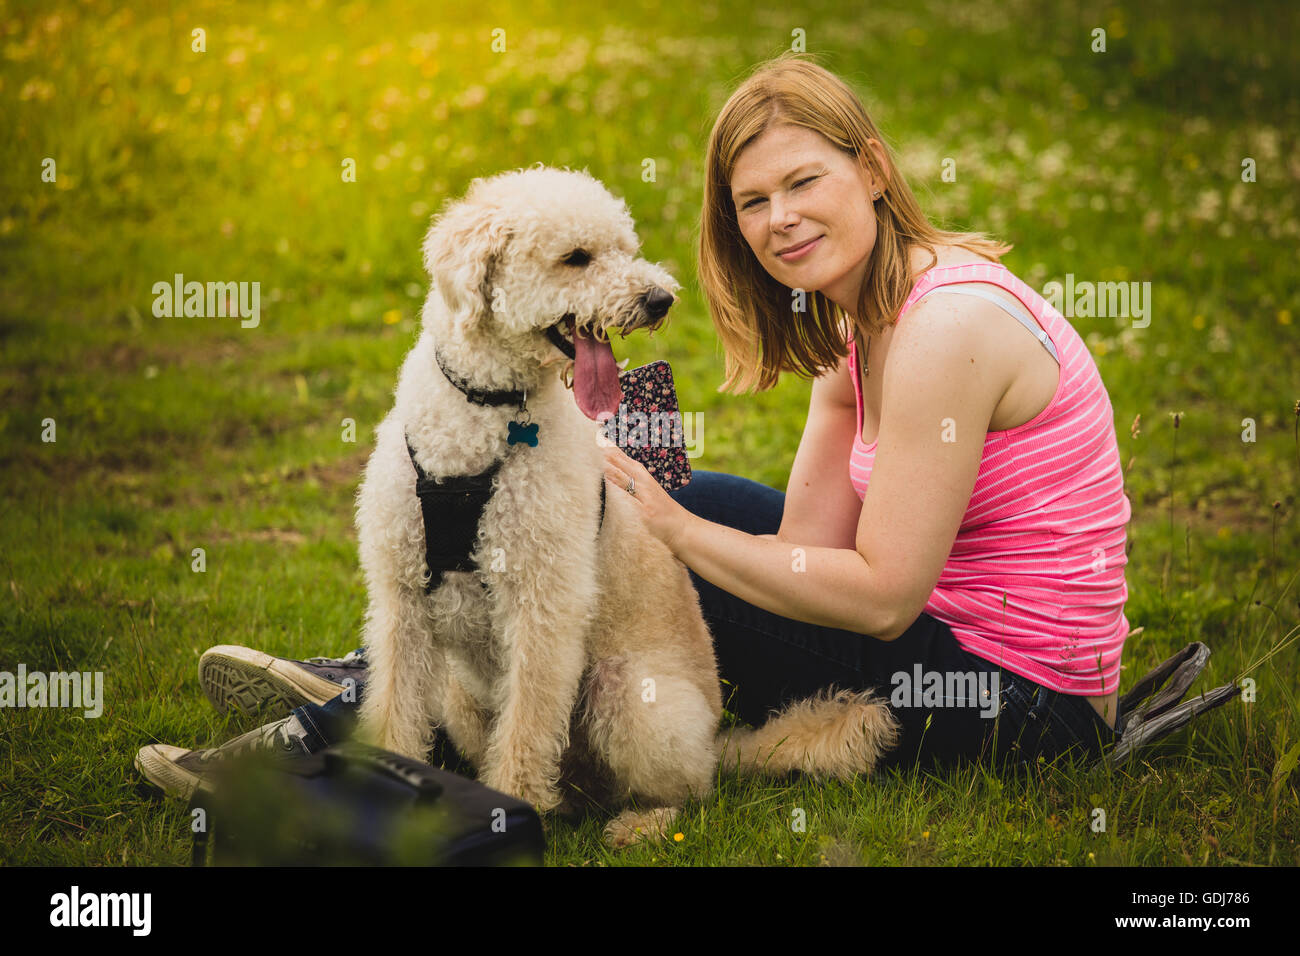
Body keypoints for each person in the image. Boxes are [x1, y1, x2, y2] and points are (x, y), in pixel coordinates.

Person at [136, 52, 1131, 801]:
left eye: (803, 182)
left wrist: (676, 535)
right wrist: (665, 517)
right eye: (752, 200)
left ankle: (357, 729)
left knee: (608, 542)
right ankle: (402, 669)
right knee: (624, 512)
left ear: (870, 167)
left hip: (1018, 694)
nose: (778, 218)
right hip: (942, 625)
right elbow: (803, 550)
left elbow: (875, 599)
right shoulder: (856, 317)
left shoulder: (945, 329)